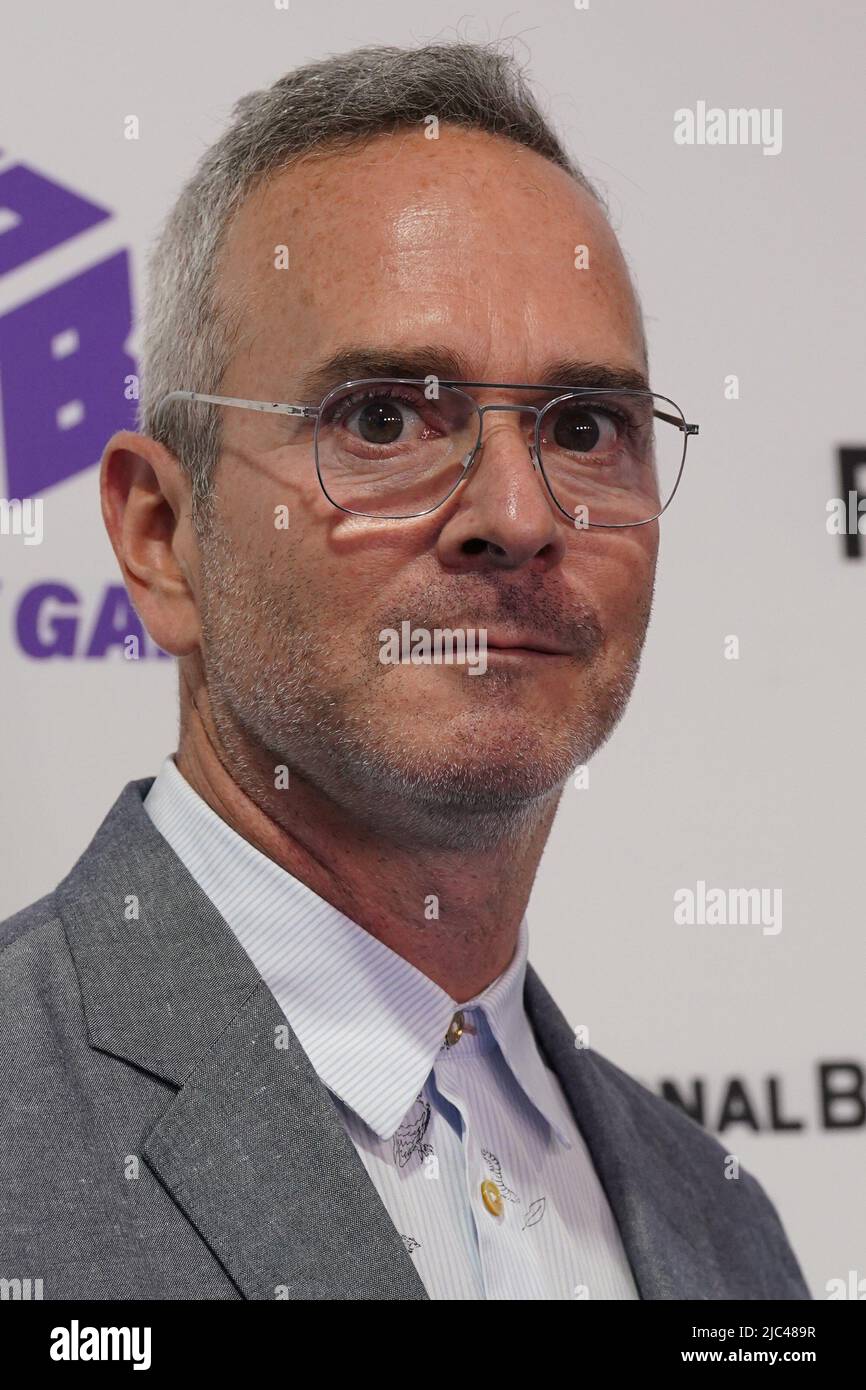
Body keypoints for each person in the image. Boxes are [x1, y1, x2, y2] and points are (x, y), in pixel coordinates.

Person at [0, 41, 809, 1300]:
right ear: (162, 538)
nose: (516, 512)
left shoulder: (730, 1239)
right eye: (383, 418)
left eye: (584, 428)